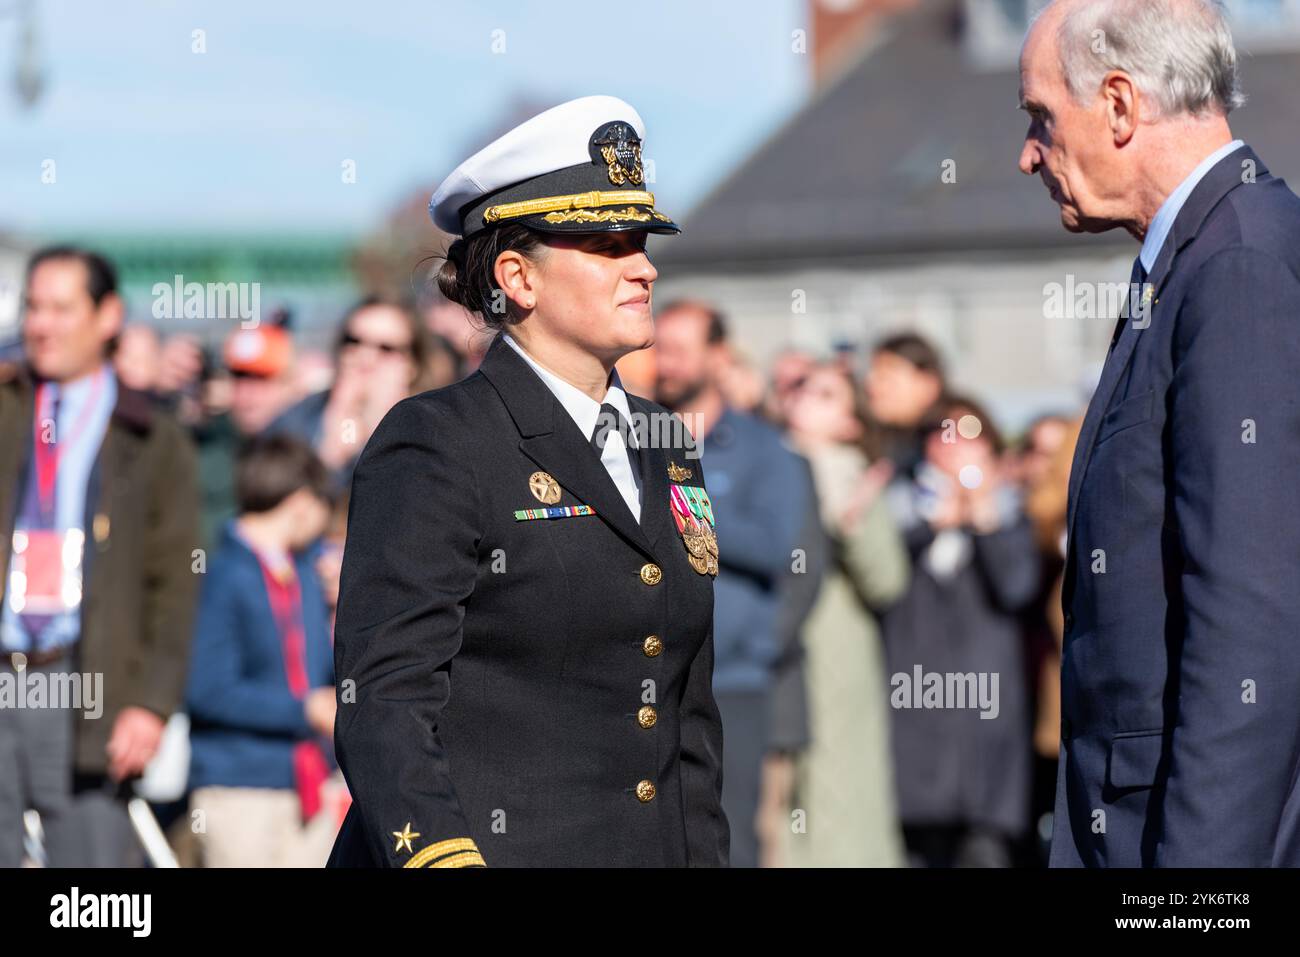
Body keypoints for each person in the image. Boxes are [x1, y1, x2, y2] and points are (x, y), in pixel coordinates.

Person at [328, 96, 728, 868]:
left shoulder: (667, 443)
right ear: (518, 276)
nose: (643, 266)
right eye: (607, 245)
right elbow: (384, 700)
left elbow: (688, 713)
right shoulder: (438, 442)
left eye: (640, 241)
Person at [1020, 0, 1300, 867]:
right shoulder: (1202, 255)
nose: (1028, 153)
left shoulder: (1238, 265)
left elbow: (1250, 616)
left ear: (1116, 105)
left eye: (1040, 118)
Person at [0, 246, 199, 867]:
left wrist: (150, 703)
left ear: (107, 315)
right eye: (33, 307)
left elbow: (176, 582)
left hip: (87, 679)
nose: (41, 324)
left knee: (90, 885)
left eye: (62, 308)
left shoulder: (151, 435)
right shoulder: (7, 408)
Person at [654, 300, 814, 868]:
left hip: (732, 681)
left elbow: (779, 548)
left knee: (725, 841)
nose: (663, 361)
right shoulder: (629, 436)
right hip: (644, 677)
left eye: (679, 347)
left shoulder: (763, 449)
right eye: (658, 346)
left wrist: (680, 494)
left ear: (718, 355)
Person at [881, 396, 1040, 867]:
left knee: (985, 850)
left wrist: (984, 518)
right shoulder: (898, 511)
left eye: (967, 434)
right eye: (941, 434)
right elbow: (880, 584)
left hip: (986, 723)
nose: (952, 448)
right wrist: (930, 527)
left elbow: (1017, 587)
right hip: (912, 714)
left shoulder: (1011, 515)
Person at [186, 434, 337, 867]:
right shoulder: (224, 577)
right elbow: (208, 690)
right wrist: (303, 710)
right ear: (302, 502)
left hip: (307, 780)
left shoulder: (303, 575)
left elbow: (319, 667)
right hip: (240, 785)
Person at [780, 362, 909, 867]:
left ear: (852, 423)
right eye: (802, 386)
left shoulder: (853, 474)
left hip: (838, 656)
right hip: (770, 653)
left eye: (827, 394)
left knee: (842, 786)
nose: (806, 396)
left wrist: (854, 519)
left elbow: (888, 580)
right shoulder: (764, 462)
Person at [269, 297, 435, 490]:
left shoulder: (431, 428)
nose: (366, 358)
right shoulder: (298, 418)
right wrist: (333, 452)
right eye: (354, 341)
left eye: (386, 348)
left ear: (412, 365)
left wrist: (382, 426)